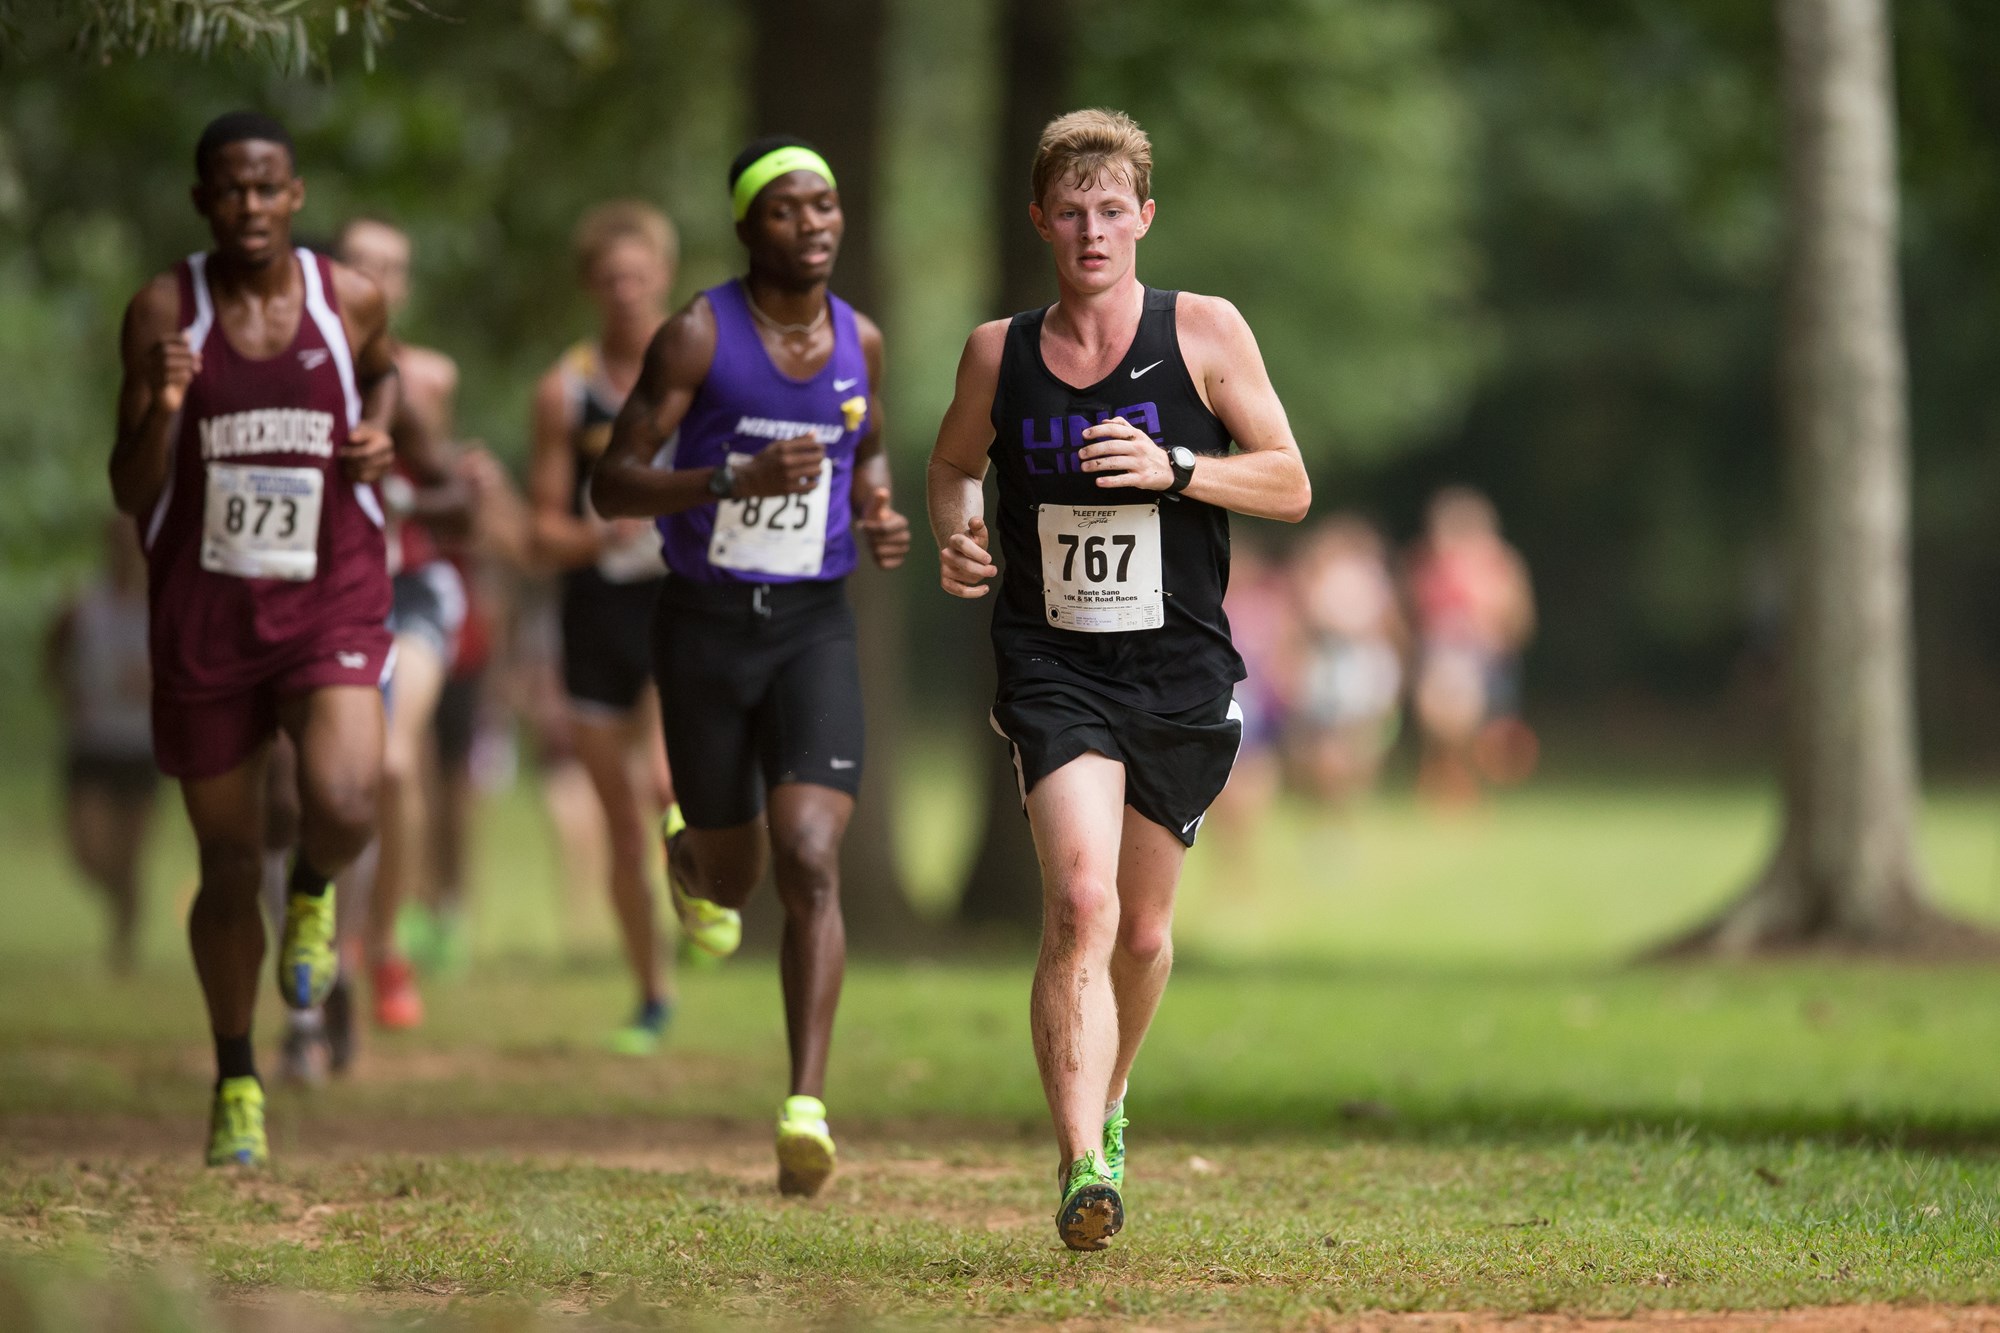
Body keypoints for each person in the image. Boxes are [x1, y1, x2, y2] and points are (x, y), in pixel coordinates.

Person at [926, 108, 1310, 1250]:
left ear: (1143, 217)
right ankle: (1081, 1159)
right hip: (1053, 665)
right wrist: (956, 532)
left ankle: (1113, 1093)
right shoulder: (997, 352)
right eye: (1069, 211)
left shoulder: (1203, 330)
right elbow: (951, 464)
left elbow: (1288, 482)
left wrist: (1175, 465)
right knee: (1080, 904)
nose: (1090, 230)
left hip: (1178, 667)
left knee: (1140, 934)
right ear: (1039, 221)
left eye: (1109, 210)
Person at [591, 136, 912, 1197]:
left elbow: (868, 443)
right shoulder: (698, 333)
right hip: (704, 626)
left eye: (824, 205)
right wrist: (730, 480)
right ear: (745, 226)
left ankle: (804, 1107)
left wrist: (876, 508)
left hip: (813, 625)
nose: (811, 225)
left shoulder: (861, 337)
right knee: (734, 879)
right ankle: (687, 853)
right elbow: (612, 484)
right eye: (785, 209)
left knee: (811, 853)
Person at [109, 111, 397, 1166]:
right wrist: (163, 406)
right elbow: (128, 485)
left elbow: (384, 372)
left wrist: (379, 429)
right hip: (208, 611)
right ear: (202, 202)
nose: (250, 205)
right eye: (230, 188)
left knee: (348, 798)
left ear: (296, 195)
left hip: (330, 592)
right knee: (227, 864)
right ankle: (237, 1077)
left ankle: (313, 888)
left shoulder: (347, 296)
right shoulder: (163, 311)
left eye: (267, 186)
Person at [528, 202, 680, 1054]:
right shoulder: (565, 389)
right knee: (622, 825)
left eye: (639, 276)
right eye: (611, 278)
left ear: (662, 277)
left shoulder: (697, 373)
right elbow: (543, 528)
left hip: (679, 597)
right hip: (594, 612)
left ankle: (702, 890)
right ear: (591, 285)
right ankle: (653, 991)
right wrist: (600, 532)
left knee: (664, 780)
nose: (626, 291)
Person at [334, 215, 472, 1030]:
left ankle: (387, 947)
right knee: (331, 777)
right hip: (325, 594)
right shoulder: (294, 362)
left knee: (391, 764)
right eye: (361, 263)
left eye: (392, 267)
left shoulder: (425, 380)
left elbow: (452, 495)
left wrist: (399, 495)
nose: (377, 279)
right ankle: (334, 938)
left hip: (412, 587)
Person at [44, 517, 159, 975]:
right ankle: (125, 906)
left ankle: (122, 947)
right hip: (93, 743)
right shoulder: (83, 605)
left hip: (142, 746)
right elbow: (52, 655)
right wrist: (65, 694)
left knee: (128, 854)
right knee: (89, 852)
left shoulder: (163, 608)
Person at [1404, 487, 1536, 805]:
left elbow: (1520, 617)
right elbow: (1414, 614)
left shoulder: (1500, 564)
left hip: (1486, 659)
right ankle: (1446, 785)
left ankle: (1462, 787)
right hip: (1442, 657)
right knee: (1443, 725)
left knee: (1478, 732)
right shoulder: (1428, 566)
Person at [1288, 515, 1406, 807]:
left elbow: (1388, 625)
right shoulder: (1319, 577)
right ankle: (1335, 798)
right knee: (1330, 737)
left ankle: (1350, 797)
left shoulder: (1370, 578)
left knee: (1361, 737)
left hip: (1362, 662)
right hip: (1332, 662)